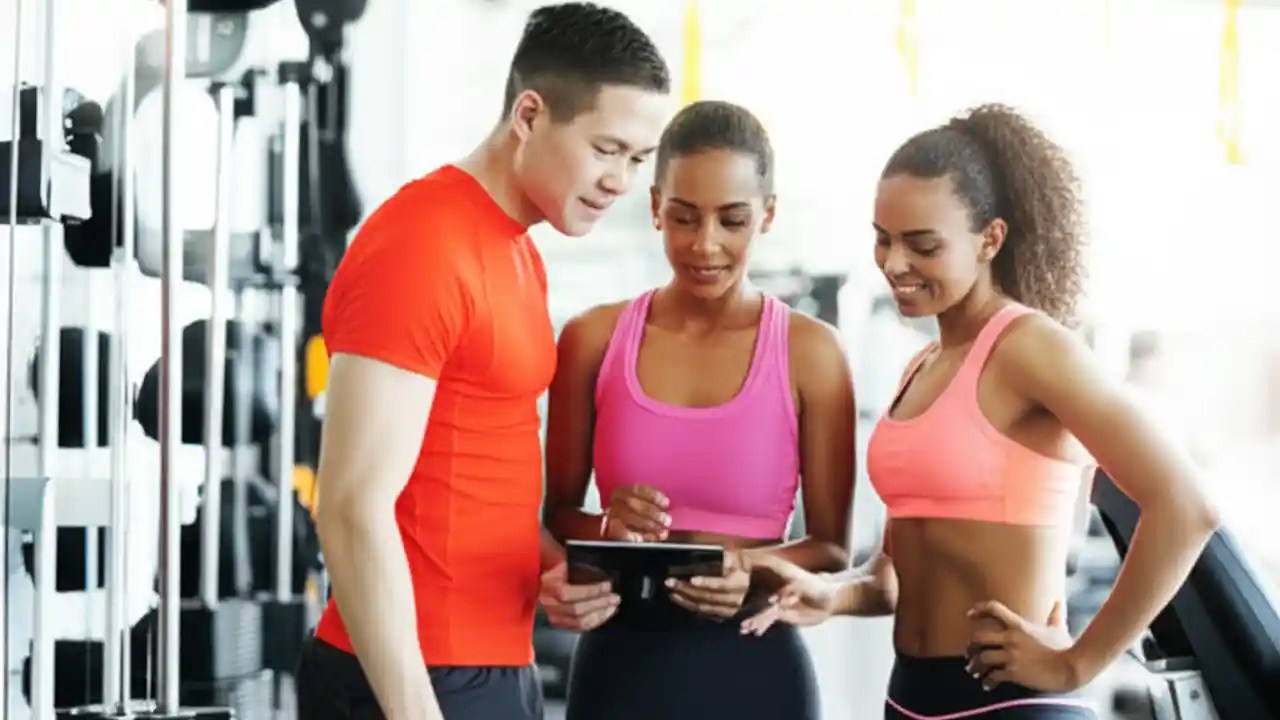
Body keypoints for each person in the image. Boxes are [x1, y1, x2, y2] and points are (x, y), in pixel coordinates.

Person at [741, 103, 1221, 719]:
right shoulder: (922, 366)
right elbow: (892, 577)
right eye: (883, 239)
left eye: (922, 245)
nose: (893, 263)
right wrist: (831, 597)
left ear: (990, 238)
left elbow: (1187, 506)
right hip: (909, 698)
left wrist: (1078, 660)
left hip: (1010, 706)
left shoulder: (1030, 347)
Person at [295, 4, 672, 719]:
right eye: (606, 149)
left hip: (493, 665)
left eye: (637, 158)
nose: (621, 180)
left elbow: (466, 471)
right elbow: (348, 507)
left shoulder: (519, 250)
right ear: (529, 115)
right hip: (410, 676)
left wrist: (549, 566)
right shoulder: (423, 243)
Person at [543, 100, 857, 720]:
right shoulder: (591, 339)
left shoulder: (812, 353)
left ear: (767, 215)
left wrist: (751, 566)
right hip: (621, 672)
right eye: (684, 218)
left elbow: (830, 549)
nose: (704, 244)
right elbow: (556, 514)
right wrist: (606, 528)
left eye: (731, 220)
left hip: (754, 671)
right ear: (656, 205)